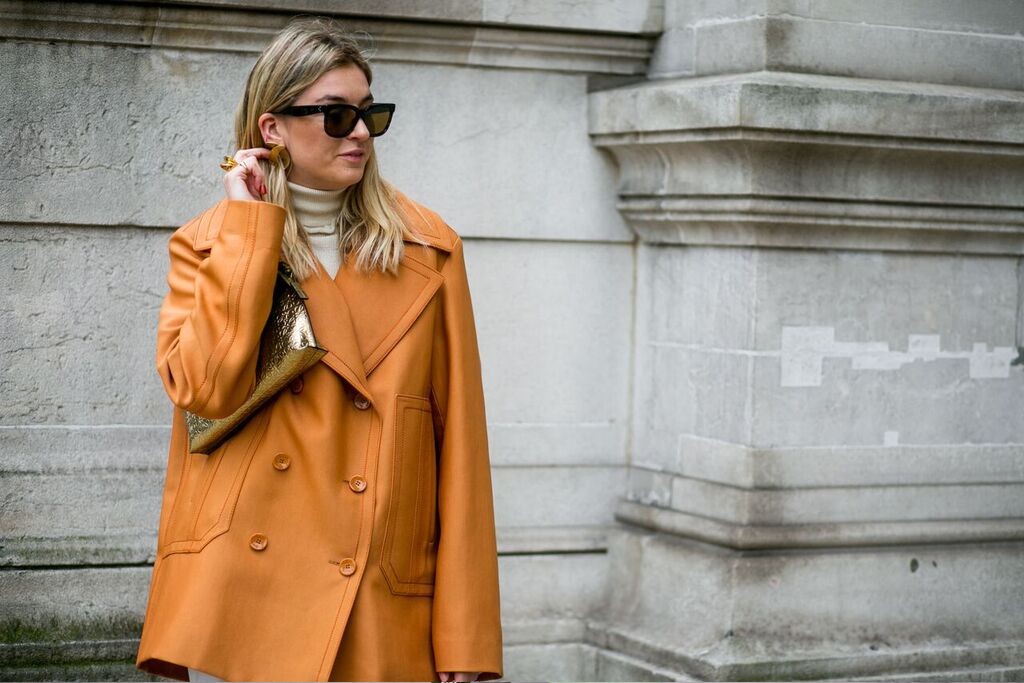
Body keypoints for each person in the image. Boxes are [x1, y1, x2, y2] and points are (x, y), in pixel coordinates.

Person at [134, 15, 503, 683]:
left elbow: (461, 446)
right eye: (337, 115)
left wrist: (466, 634)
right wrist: (250, 231)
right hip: (245, 592)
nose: (361, 132)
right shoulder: (212, 242)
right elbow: (204, 389)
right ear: (272, 128)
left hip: (377, 580)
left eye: (370, 113)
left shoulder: (431, 249)